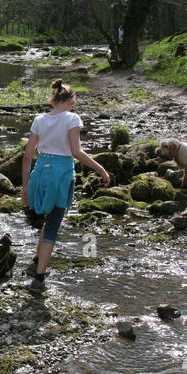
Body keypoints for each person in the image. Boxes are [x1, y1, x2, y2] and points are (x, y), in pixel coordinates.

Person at [20, 78, 111, 292]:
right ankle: (39, 279)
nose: (73, 106)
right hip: (61, 174)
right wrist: (101, 169)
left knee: (46, 219)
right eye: (73, 102)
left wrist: (25, 187)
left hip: (40, 173)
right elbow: (76, 152)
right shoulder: (72, 118)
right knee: (53, 224)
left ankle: (35, 262)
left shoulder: (39, 120)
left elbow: (27, 156)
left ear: (53, 100)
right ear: (70, 101)